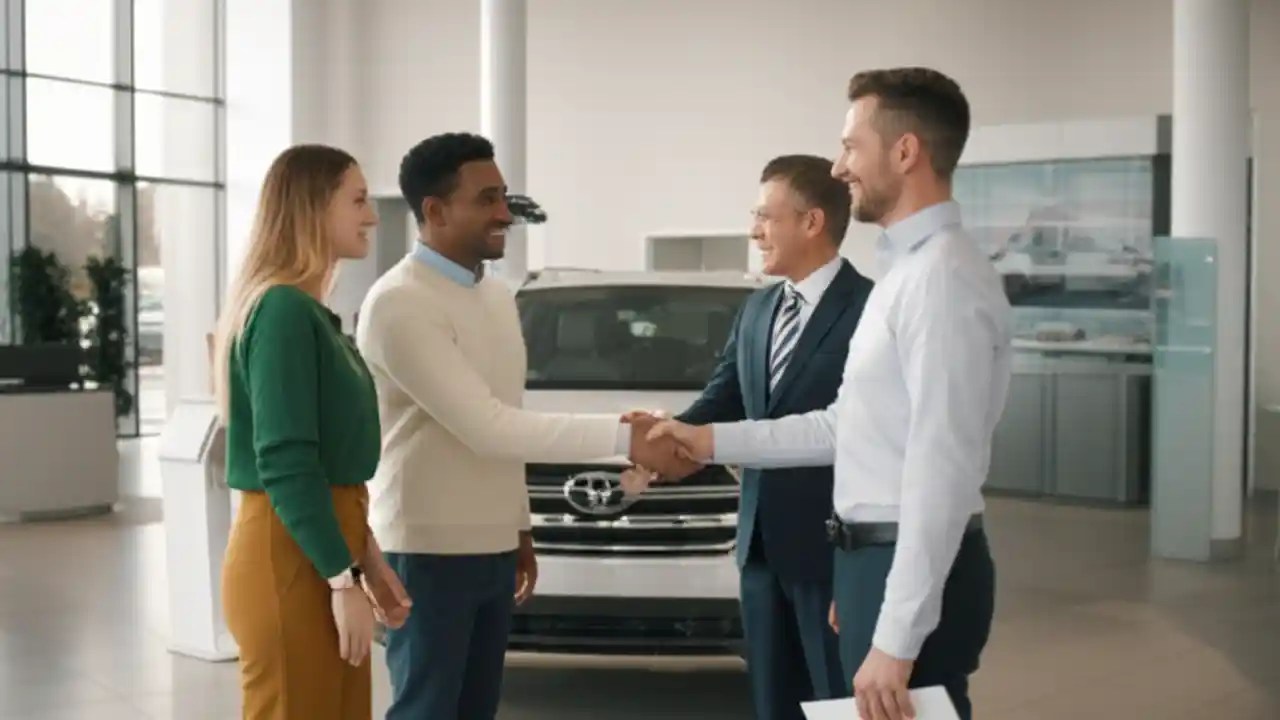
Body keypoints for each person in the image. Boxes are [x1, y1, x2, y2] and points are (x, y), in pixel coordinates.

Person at [645, 67, 1012, 720]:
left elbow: (941, 467)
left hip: (901, 555)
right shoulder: (911, 272)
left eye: (851, 146)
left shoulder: (941, 280)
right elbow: (848, 427)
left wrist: (898, 633)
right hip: (871, 556)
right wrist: (708, 438)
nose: (840, 167)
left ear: (905, 152)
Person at [354, 131, 698, 720]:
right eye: (486, 199)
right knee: (428, 710)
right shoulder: (399, 303)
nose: (504, 213)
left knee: (476, 710)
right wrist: (625, 435)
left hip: (488, 546)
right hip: (428, 549)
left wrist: (517, 526)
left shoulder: (493, 296)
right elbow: (487, 427)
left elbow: (504, 417)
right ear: (434, 211)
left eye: (504, 196)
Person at [631, 154, 872, 719]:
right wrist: (661, 443)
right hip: (761, 547)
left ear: (811, 222)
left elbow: (864, 436)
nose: (753, 231)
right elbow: (723, 398)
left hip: (835, 552)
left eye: (765, 216)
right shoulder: (759, 306)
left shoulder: (870, 309)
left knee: (839, 699)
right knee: (774, 702)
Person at [214, 144, 413, 720]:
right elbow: (286, 462)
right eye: (356, 200)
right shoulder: (280, 312)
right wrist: (341, 581)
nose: (372, 215)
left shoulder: (307, 314)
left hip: (322, 546)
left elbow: (331, 466)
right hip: (290, 556)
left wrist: (365, 561)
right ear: (311, 208)